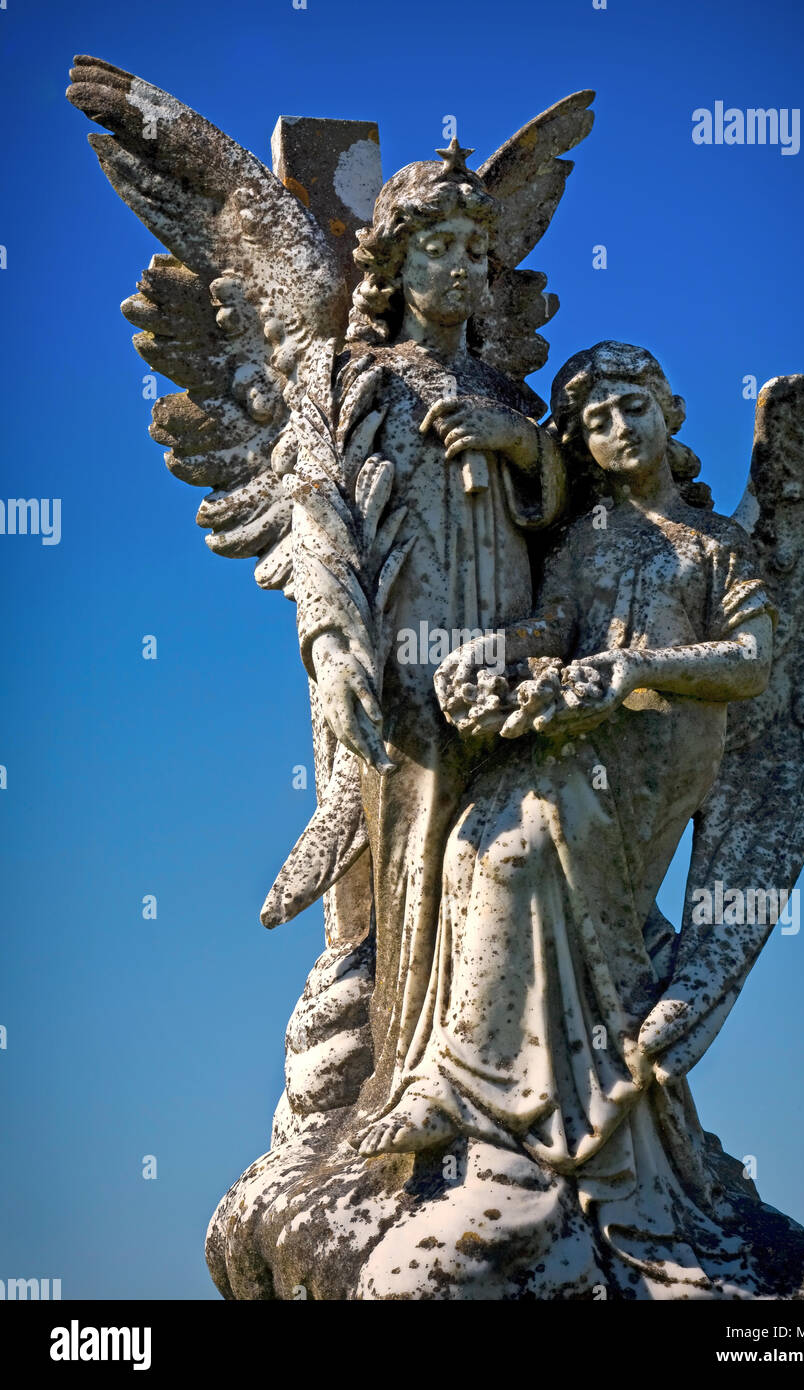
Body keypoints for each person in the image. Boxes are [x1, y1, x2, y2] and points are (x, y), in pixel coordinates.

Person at [355, 341, 782, 1295]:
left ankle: (494, 1098)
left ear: (670, 413)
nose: (617, 430)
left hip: (649, 763)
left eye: (632, 407)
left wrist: (635, 672)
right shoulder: (585, 541)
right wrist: (500, 653)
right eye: (594, 420)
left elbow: (749, 663)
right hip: (573, 739)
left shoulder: (719, 548)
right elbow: (556, 629)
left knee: (519, 852)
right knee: (475, 843)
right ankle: (464, 1085)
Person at [297, 142, 565, 1135]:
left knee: (518, 849)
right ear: (392, 265)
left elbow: (563, 521)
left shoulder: (505, 395)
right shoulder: (354, 376)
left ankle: (523, 1079)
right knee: (414, 852)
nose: (461, 265)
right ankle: (413, 1072)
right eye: (437, 246)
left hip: (514, 650)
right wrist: (332, 650)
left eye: (474, 248)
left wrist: (529, 449)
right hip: (410, 658)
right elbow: (315, 519)